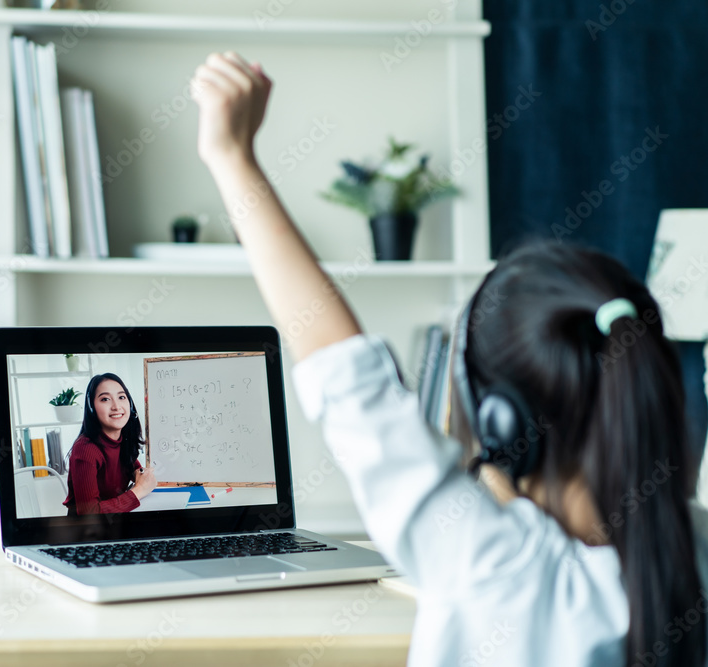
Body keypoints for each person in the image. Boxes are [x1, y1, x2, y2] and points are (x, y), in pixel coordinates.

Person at [190, 52, 708, 666]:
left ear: (500, 423)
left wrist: (231, 155)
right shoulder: (692, 552)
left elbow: (348, 375)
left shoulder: (488, 559)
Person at [62, 373, 157, 515]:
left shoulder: (123, 439)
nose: (116, 406)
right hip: (87, 533)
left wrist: (143, 477)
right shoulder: (85, 448)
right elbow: (89, 513)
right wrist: (139, 490)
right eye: (105, 399)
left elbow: (138, 472)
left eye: (121, 397)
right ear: (92, 407)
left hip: (116, 524)